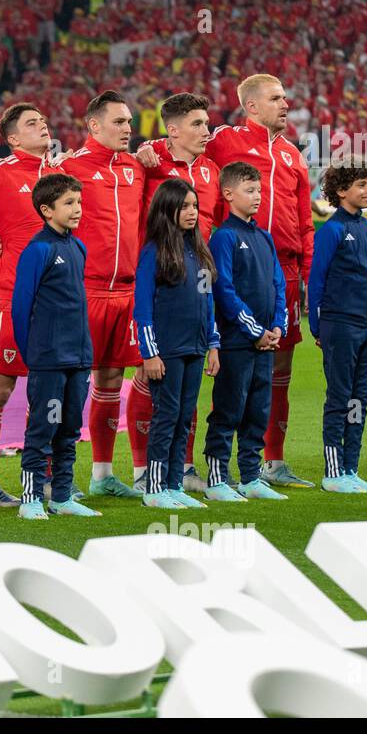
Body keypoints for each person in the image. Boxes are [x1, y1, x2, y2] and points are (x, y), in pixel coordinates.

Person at [139, 74, 315, 491]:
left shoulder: (293, 155)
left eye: (286, 97)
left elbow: (306, 222)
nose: (286, 104)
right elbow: (179, 145)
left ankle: (271, 462)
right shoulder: (224, 140)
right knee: (194, 365)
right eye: (276, 98)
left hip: (279, 271)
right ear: (252, 106)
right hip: (217, 268)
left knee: (276, 367)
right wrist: (150, 149)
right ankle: (171, 468)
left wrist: (306, 276)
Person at [129, 92, 222, 494]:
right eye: (199, 124)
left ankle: (176, 476)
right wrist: (143, 148)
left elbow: (211, 224)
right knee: (147, 388)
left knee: (182, 406)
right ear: (173, 129)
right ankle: (142, 472)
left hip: (194, 286)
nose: (208, 131)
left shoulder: (212, 172)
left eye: (208, 123)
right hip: (156, 292)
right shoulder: (148, 163)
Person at [59, 90, 146, 500]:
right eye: (119, 122)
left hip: (126, 291)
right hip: (84, 291)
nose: (128, 129)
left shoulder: (136, 168)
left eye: (129, 122)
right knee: (69, 385)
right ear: (94, 125)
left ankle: (102, 473)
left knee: (112, 381)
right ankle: (53, 476)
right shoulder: (69, 167)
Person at [0, 102, 53, 507]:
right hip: (9, 298)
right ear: (13, 138)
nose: (42, 125)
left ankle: (45, 479)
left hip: (57, 303)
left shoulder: (62, 174)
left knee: (50, 391)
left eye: (43, 120)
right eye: (31, 123)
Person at [11, 173, 99, 520]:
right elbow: (21, 306)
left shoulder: (77, 247)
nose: (77, 209)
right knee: (43, 428)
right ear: (47, 210)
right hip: (49, 359)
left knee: (70, 429)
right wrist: (31, 353)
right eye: (69, 203)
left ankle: (62, 496)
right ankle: (31, 498)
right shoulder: (39, 250)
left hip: (78, 358)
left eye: (78, 201)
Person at [204, 162, 286, 502]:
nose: (257, 197)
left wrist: (278, 323)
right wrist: (254, 330)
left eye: (259, 191)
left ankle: (251, 476)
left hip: (265, 343)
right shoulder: (223, 237)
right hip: (238, 342)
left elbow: (277, 283)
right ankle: (217, 478)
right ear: (228, 194)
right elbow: (223, 289)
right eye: (249, 191)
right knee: (228, 409)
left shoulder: (264, 236)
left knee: (258, 411)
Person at [307, 158, 367, 494]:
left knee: (358, 400)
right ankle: (333, 472)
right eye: (361, 184)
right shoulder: (332, 231)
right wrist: (318, 327)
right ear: (340, 191)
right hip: (340, 325)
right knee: (339, 398)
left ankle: (350, 467)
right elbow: (316, 280)